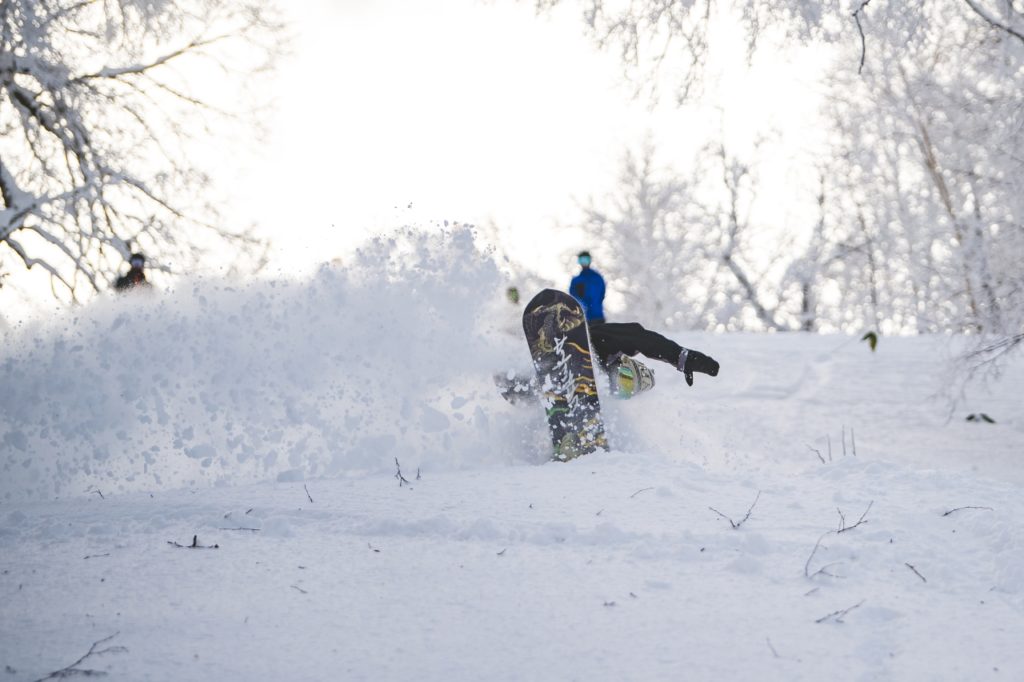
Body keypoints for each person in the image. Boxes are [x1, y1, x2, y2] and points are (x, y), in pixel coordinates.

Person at [589, 320, 719, 387]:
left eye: (627, 390)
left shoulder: (605, 401)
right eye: (626, 382)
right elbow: (641, 338)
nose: (619, 388)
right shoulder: (602, 344)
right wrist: (682, 357)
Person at [569, 251, 605, 323]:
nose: (584, 263)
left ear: (590, 260)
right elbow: (572, 298)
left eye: (586, 260)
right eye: (582, 260)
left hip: (597, 317)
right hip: (583, 319)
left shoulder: (597, 278)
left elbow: (601, 295)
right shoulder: (576, 280)